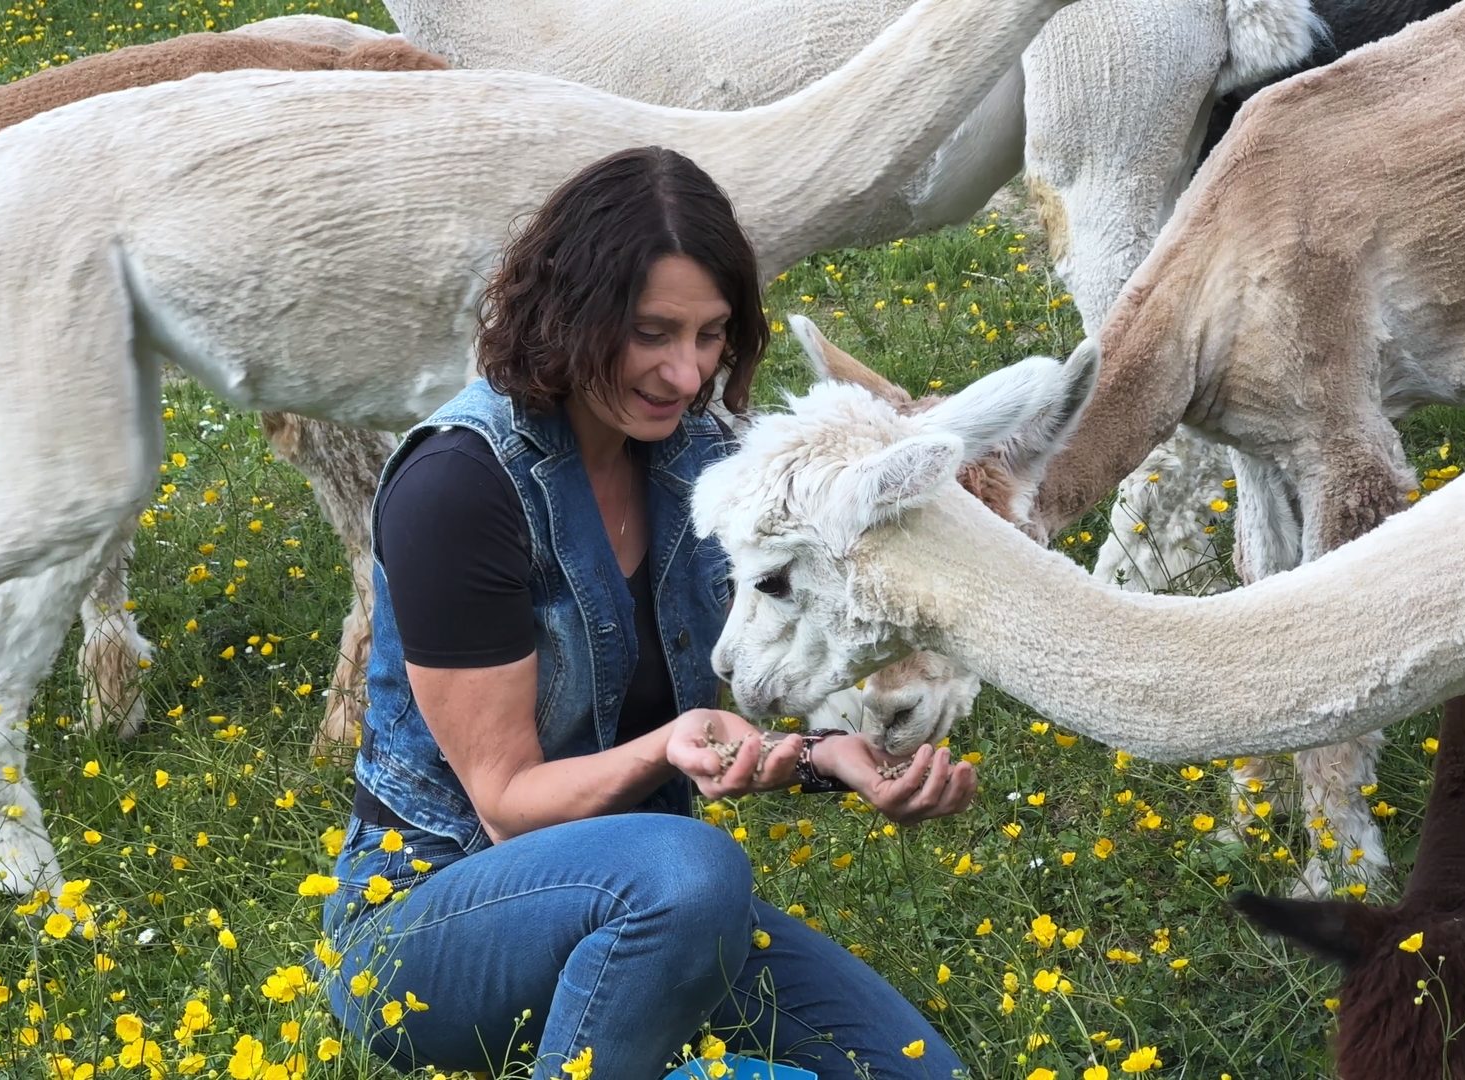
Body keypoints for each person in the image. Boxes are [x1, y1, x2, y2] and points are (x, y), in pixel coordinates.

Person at [320, 145, 978, 1080]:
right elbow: (508, 808)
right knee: (690, 871)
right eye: (651, 333)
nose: (684, 373)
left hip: (643, 911)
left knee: (917, 1071)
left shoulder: (698, 457)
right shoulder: (458, 486)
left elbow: (711, 725)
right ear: (569, 315)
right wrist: (670, 743)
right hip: (431, 930)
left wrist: (835, 761)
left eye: (710, 335)